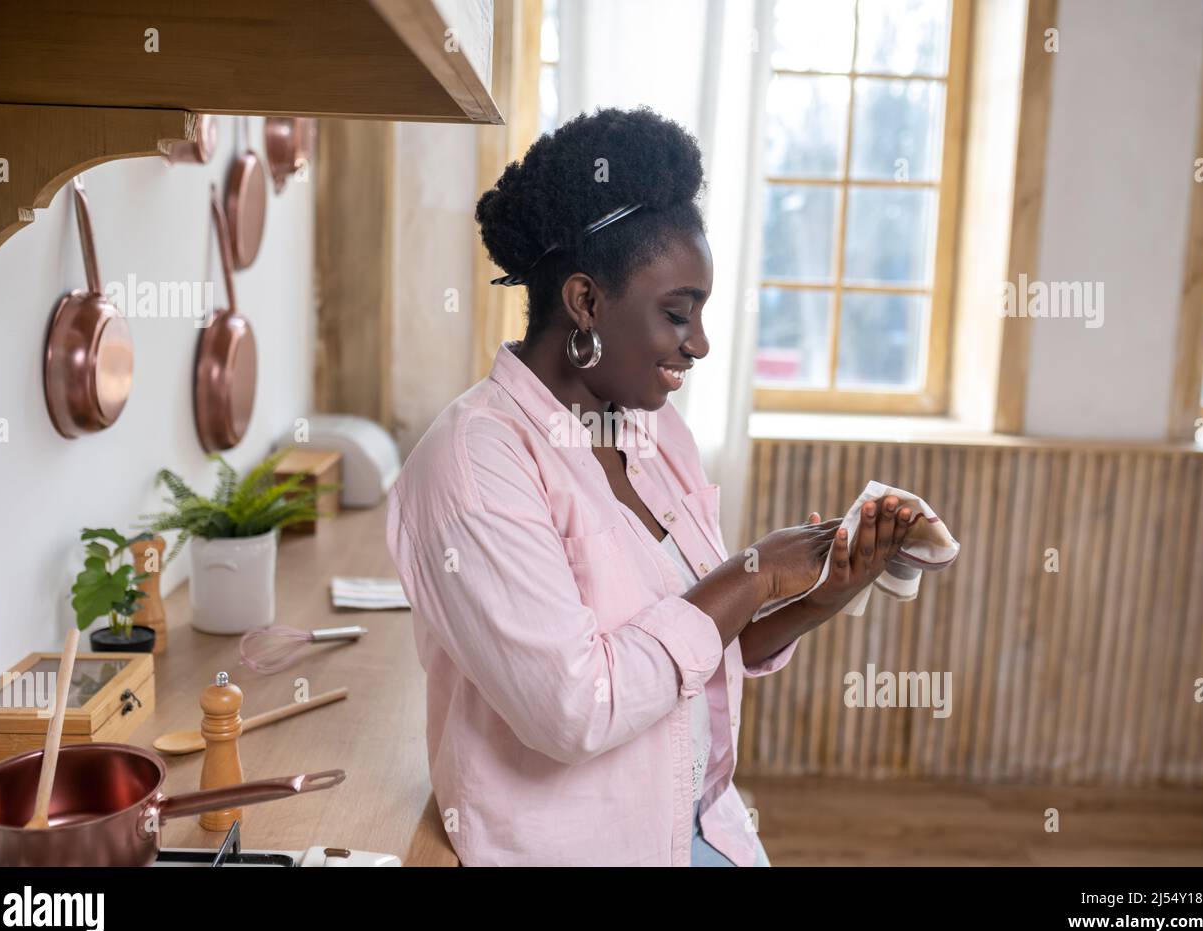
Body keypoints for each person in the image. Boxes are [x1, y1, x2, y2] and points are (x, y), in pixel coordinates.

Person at [384, 106, 915, 866]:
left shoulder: (650, 428)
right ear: (586, 303)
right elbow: (575, 710)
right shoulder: (474, 463)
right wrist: (752, 573)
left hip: (702, 830)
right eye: (677, 314)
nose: (698, 344)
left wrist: (819, 592)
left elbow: (698, 643)